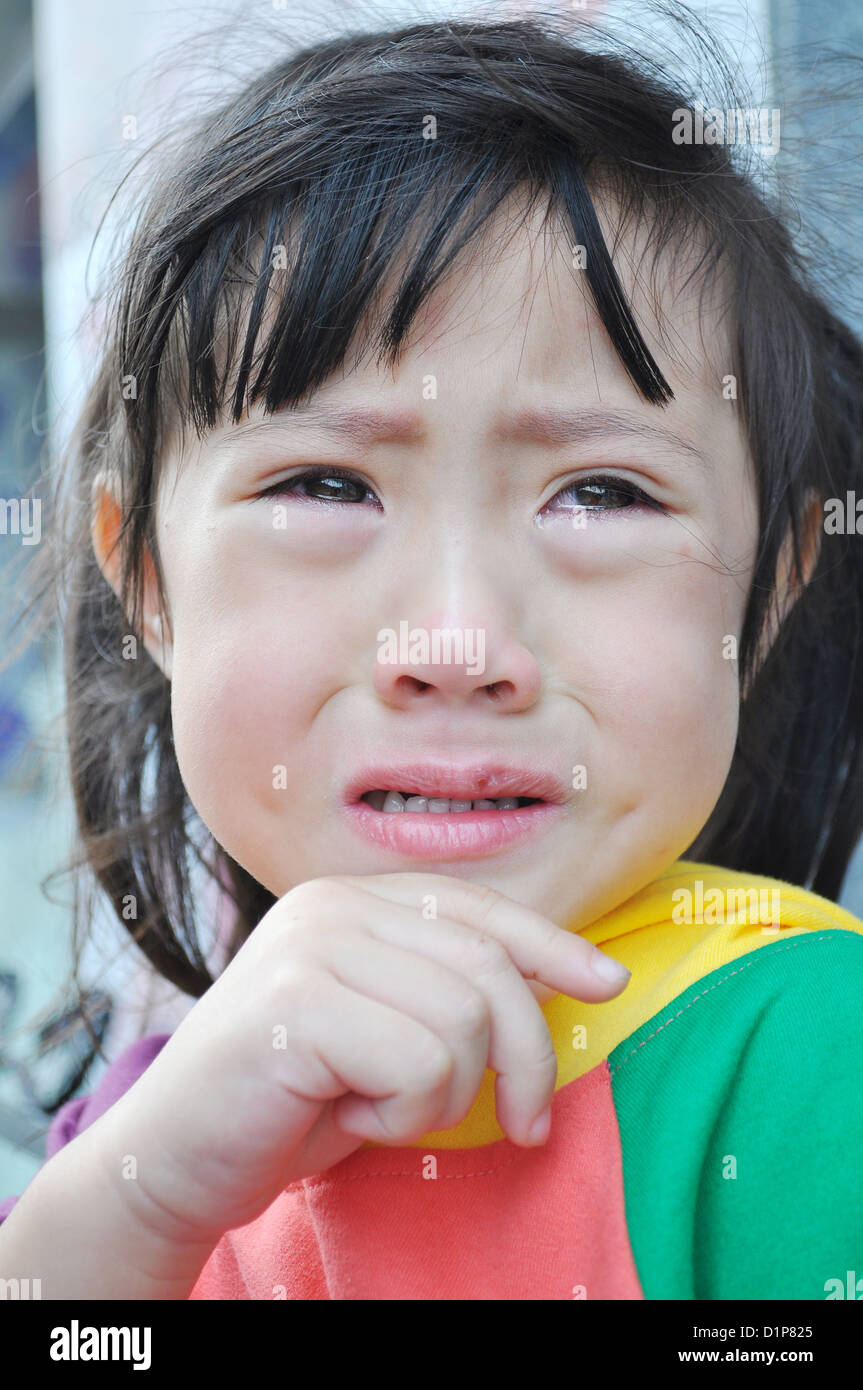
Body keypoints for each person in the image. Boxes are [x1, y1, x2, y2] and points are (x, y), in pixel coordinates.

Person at [2, 9, 863, 1300]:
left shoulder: (804, 1054)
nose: (455, 645)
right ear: (150, 582)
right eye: (327, 483)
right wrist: (131, 1208)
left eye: (603, 495)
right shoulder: (143, 1138)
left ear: (769, 585)